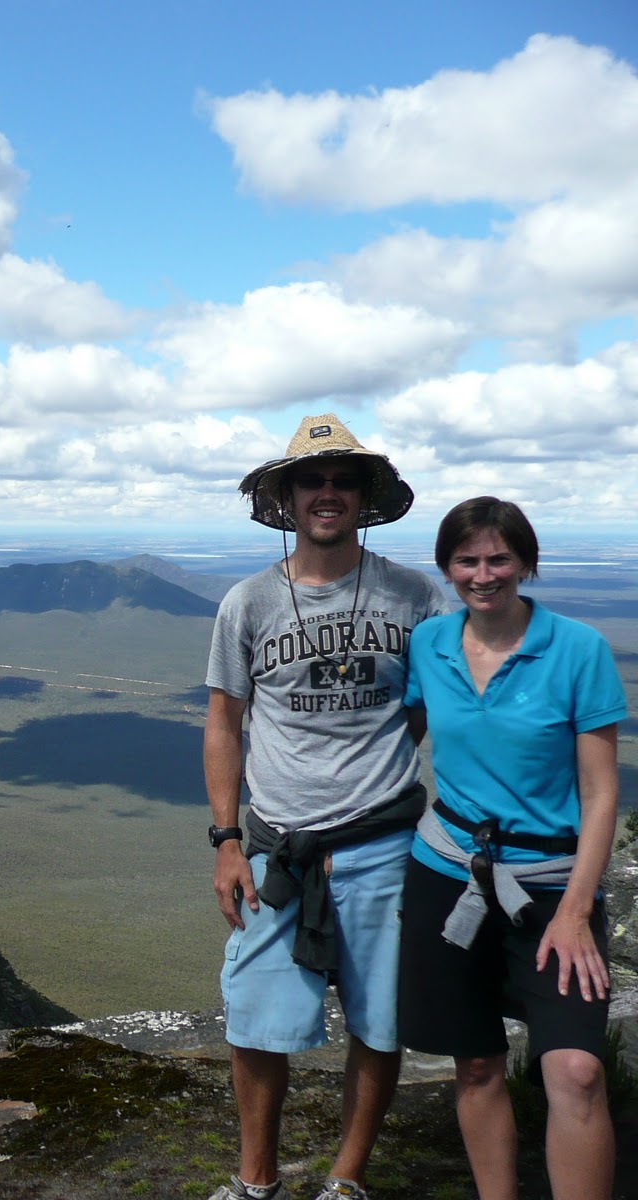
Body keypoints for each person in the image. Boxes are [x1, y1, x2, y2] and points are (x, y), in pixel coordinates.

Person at [204, 413, 448, 1200]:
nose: (329, 492)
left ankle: (345, 1181)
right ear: (287, 494)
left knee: (380, 1023)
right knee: (254, 1022)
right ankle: (256, 1182)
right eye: (314, 479)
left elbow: (427, 707)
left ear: (366, 495)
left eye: (345, 480)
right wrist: (227, 841)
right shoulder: (247, 604)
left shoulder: (415, 595)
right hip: (280, 851)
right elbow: (225, 724)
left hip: (384, 846)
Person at [399, 496, 626, 1200]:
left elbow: (601, 794)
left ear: (526, 563)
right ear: (445, 568)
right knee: (475, 1064)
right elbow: (396, 739)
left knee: (578, 1071)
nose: (484, 573)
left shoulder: (577, 649)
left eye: (499, 558)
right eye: (467, 559)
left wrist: (574, 913)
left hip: (553, 886)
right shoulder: (429, 646)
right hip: (448, 873)